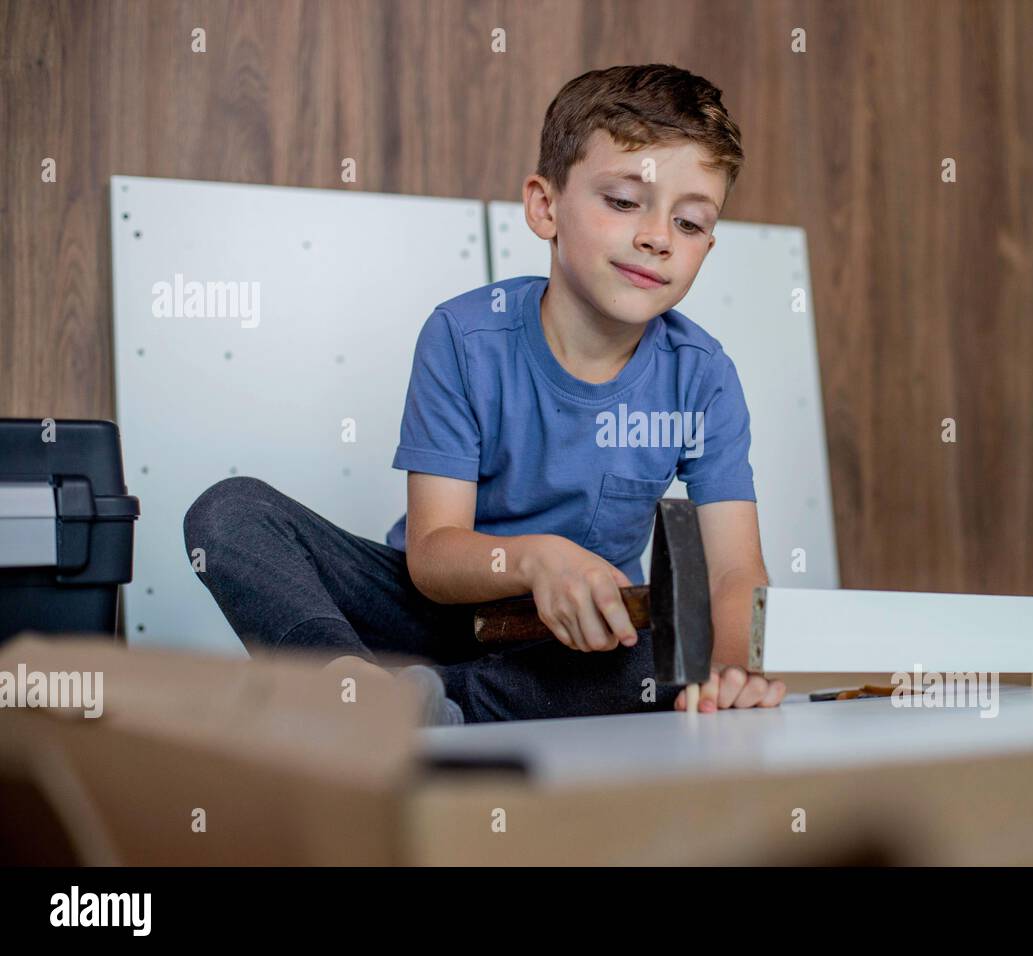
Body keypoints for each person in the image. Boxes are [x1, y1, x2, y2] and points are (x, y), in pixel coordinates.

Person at [183, 64, 786, 723]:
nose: (658, 237)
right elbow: (435, 552)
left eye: (691, 223)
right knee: (230, 514)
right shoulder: (464, 336)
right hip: (431, 613)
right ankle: (346, 689)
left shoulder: (702, 375)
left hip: (575, 643)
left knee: (664, 665)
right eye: (622, 202)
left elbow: (733, 575)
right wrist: (535, 561)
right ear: (544, 206)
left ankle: (442, 705)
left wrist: (731, 675)